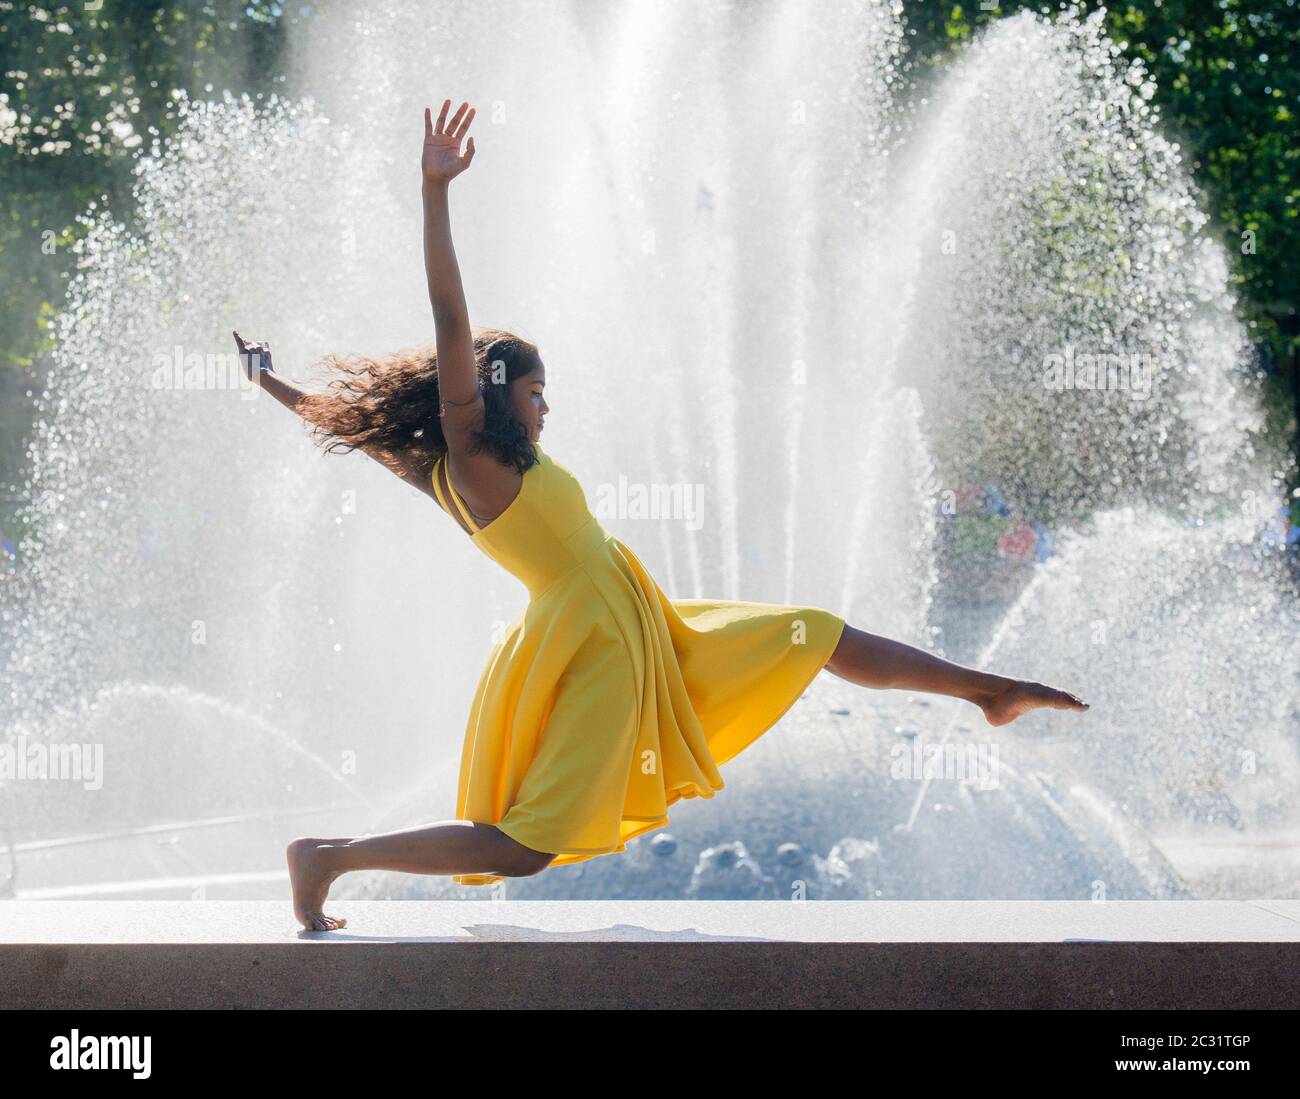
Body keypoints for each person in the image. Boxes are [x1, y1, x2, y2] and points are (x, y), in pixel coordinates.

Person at [234, 99, 1088, 931]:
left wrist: (273, 384)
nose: (545, 407)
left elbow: (350, 428)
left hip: (639, 618)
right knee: (526, 848)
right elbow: (451, 316)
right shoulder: (472, 450)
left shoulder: (456, 470)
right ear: (494, 392)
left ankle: (988, 691)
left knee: (815, 631)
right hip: (598, 642)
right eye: (535, 391)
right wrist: (435, 190)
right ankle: (331, 857)